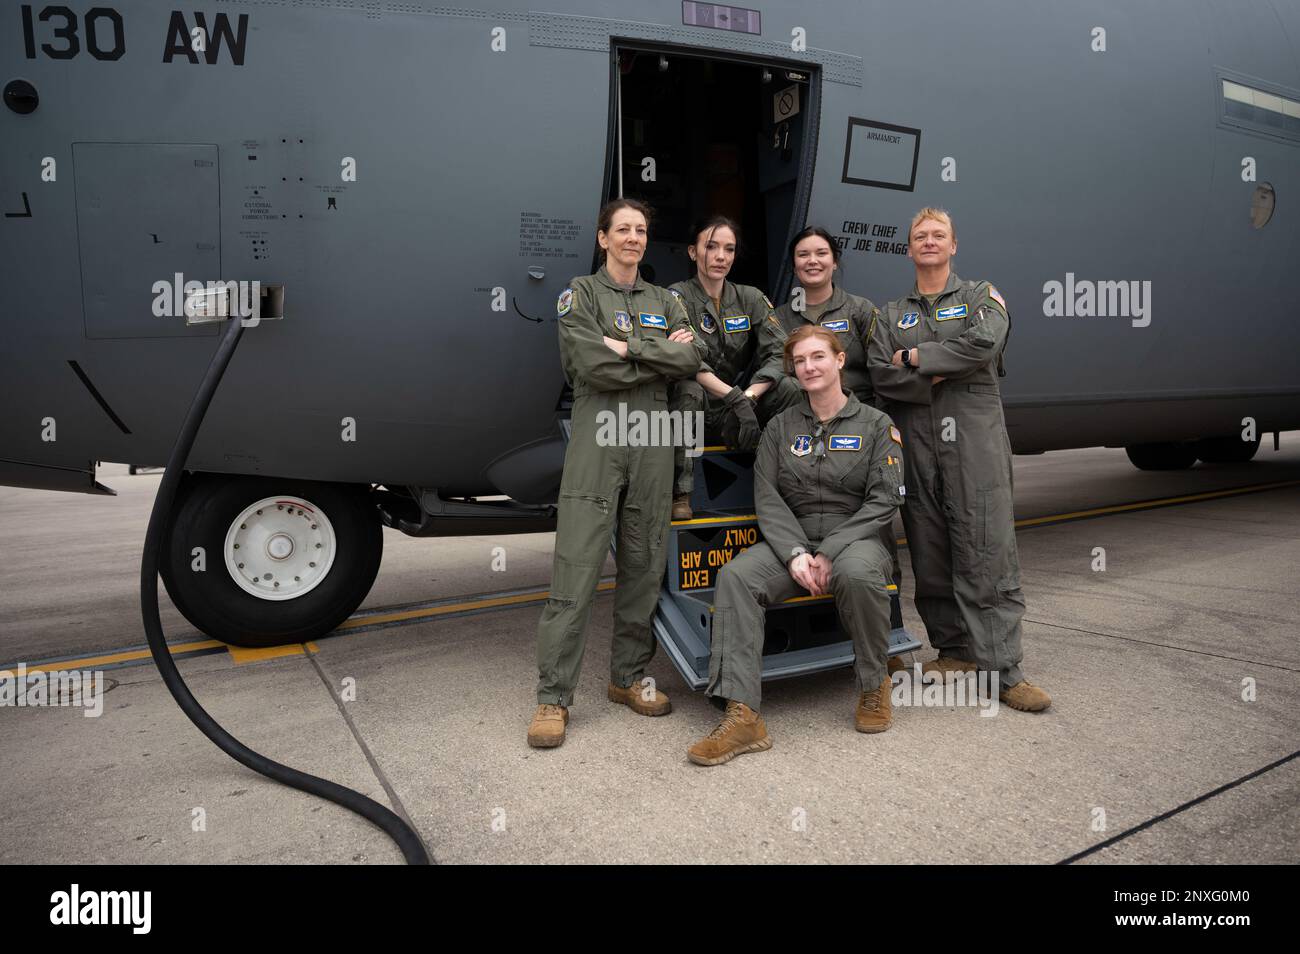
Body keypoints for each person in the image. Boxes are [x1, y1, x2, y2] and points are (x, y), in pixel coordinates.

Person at [687, 325, 905, 766]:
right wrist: (794, 553)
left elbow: (884, 500)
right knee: (737, 577)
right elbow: (766, 495)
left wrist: (830, 551)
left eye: (818, 357)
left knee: (857, 573)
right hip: (795, 538)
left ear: (839, 361)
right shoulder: (781, 427)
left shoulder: (877, 425)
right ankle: (743, 714)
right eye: (800, 361)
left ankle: (872, 684)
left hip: (857, 537)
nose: (809, 367)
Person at [529, 198, 703, 748]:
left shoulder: (665, 299)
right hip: (599, 440)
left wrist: (626, 347)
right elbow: (587, 363)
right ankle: (553, 698)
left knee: (645, 567)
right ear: (603, 238)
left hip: (652, 443)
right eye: (623, 229)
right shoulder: (579, 295)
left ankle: (627, 679)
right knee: (575, 571)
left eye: (642, 230)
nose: (634, 238)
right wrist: (654, 356)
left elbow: (690, 360)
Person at [866, 207, 1050, 712]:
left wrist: (918, 358)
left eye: (938, 235)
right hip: (916, 444)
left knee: (985, 548)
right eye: (920, 236)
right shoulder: (890, 314)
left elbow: (984, 343)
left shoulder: (979, 296)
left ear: (953, 246)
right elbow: (882, 374)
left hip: (974, 443)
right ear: (909, 249)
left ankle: (1004, 671)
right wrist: (942, 367)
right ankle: (954, 651)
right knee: (929, 547)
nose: (929, 242)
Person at [668, 216, 800, 520]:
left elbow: (780, 351)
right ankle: (681, 491)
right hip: (698, 405)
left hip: (738, 408)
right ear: (692, 252)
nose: (720, 256)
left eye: (729, 249)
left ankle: (789, 483)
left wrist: (750, 395)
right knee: (687, 389)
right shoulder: (676, 297)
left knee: (791, 389)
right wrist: (734, 397)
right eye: (711, 247)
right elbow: (687, 359)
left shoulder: (749, 298)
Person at [774, 227, 880, 406]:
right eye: (803, 255)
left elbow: (881, 369)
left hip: (857, 414)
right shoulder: (779, 318)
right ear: (794, 266)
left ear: (835, 262)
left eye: (821, 253)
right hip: (798, 416)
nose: (812, 261)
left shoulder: (860, 309)